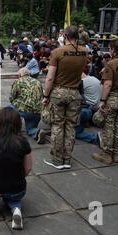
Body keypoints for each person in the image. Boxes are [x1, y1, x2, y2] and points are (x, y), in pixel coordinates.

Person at [42, 26, 88, 170]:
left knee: (57, 125)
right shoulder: (84, 52)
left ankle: (57, 159)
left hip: (59, 92)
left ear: (66, 36)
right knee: (70, 127)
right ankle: (67, 159)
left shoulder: (57, 52)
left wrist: (45, 95)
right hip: (75, 93)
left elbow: (50, 78)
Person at [92, 40, 118, 165]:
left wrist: (103, 100)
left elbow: (108, 84)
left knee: (108, 127)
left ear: (114, 50)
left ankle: (107, 155)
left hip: (113, 98)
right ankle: (116, 154)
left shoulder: (112, 64)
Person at [9, 68, 46, 144]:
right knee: (30, 129)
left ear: (20, 75)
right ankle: (37, 132)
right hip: (37, 112)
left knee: (8, 108)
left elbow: (11, 97)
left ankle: (12, 129)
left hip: (24, 110)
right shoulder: (37, 82)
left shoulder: (18, 82)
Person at [75, 67, 102, 144]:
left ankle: (95, 138)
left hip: (88, 109)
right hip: (97, 107)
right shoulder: (93, 78)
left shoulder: (82, 82)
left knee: (75, 133)